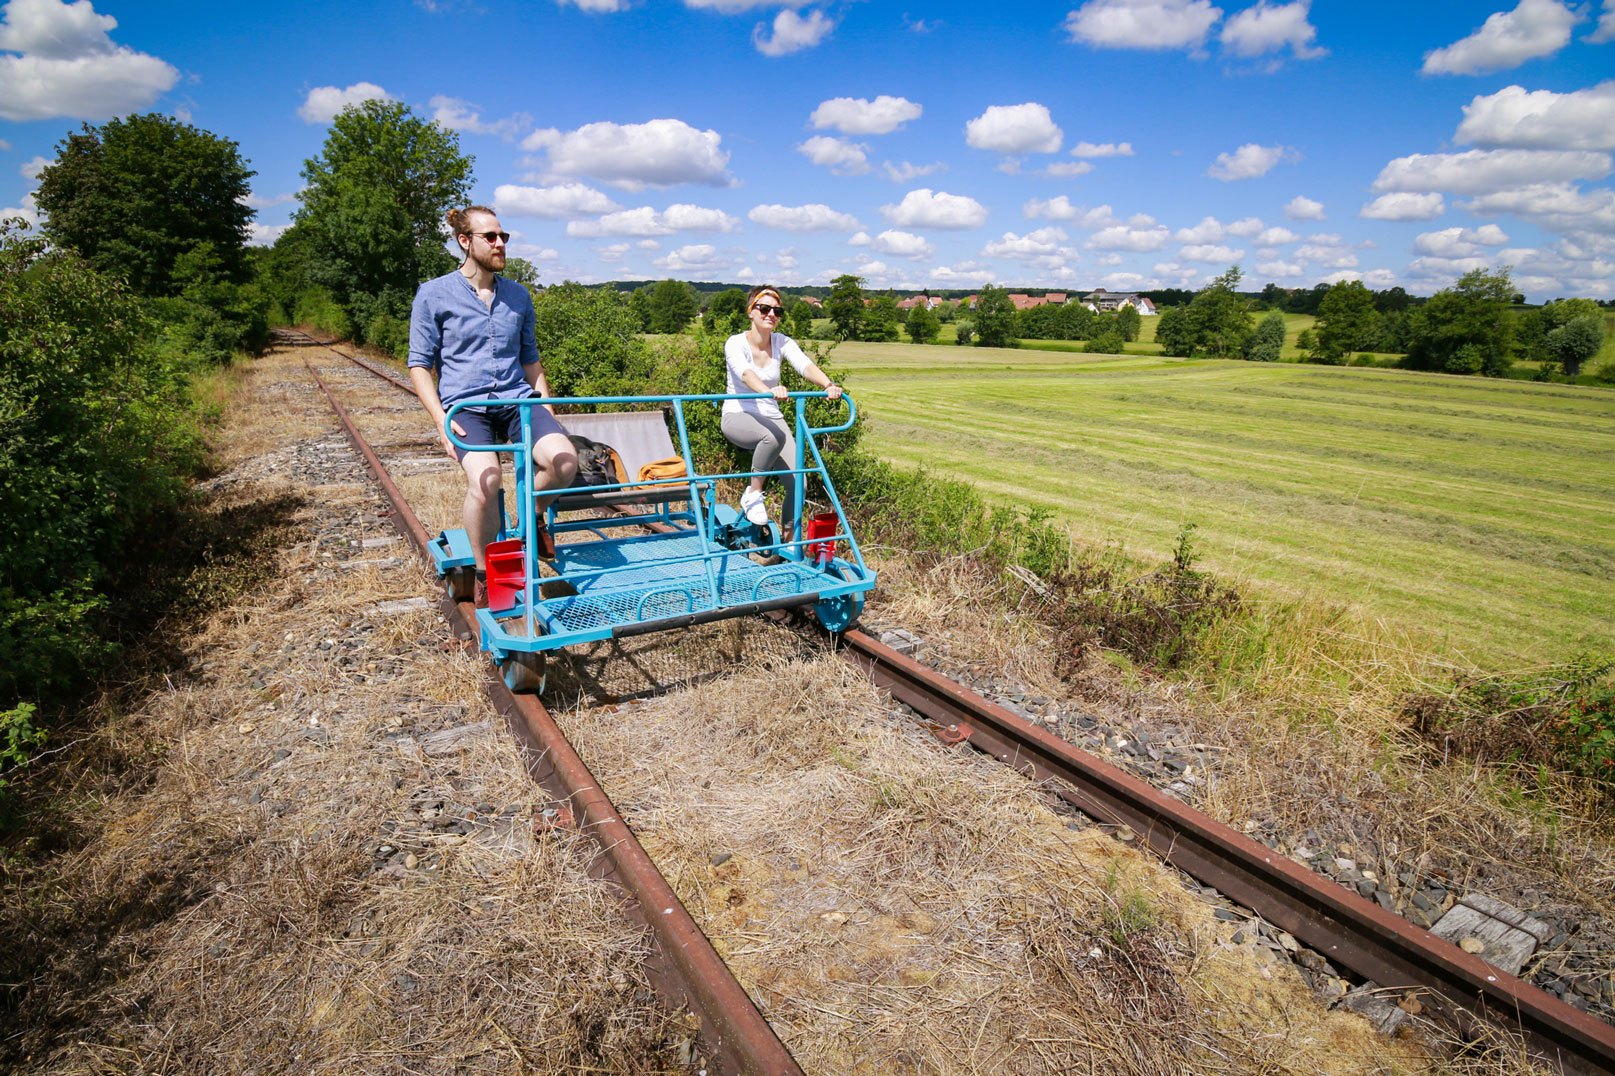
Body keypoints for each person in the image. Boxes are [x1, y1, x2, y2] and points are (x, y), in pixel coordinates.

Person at [408, 205, 576, 607]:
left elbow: (530, 360)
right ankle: (485, 571)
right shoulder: (434, 293)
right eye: (491, 237)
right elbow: (419, 364)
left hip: (516, 400)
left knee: (564, 462)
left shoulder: (518, 295)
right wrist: (440, 420)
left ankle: (527, 520)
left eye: (503, 236)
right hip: (465, 406)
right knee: (486, 484)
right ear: (465, 242)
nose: (501, 243)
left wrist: (547, 408)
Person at [721, 285, 842, 544]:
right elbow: (744, 373)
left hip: (772, 418)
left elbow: (804, 364)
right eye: (764, 308)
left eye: (777, 310)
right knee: (771, 437)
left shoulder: (782, 342)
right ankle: (753, 494)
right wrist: (767, 391)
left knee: (800, 484)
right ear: (751, 312)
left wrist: (828, 384)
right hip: (738, 415)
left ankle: (788, 543)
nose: (771, 314)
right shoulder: (735, 343)